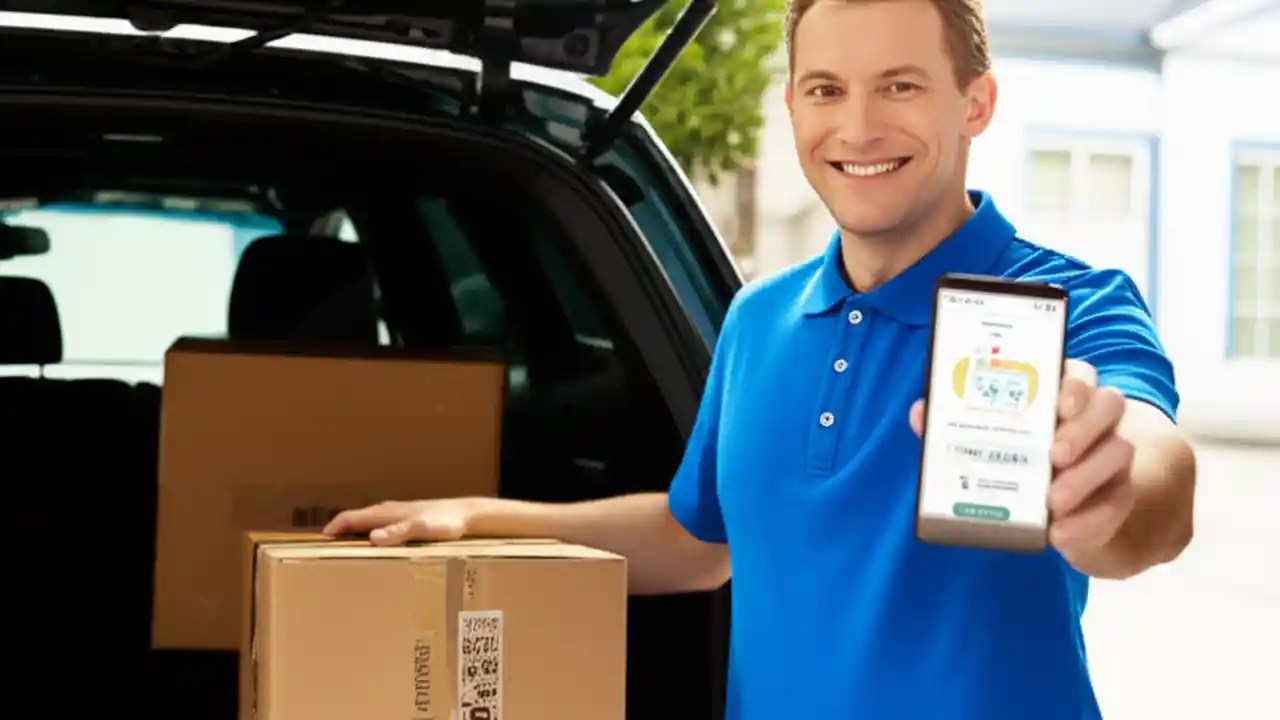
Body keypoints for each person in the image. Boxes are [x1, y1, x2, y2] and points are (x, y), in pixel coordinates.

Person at [324, 1, 1198, 717]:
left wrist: (1107, 493)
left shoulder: (1068, 304)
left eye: (899, 85)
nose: (857, 127)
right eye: (826, 89)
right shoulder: (758, 318)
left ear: (975, 103)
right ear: (792, 108)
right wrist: (477, 518)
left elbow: (1156, 486)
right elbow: (698, 539)